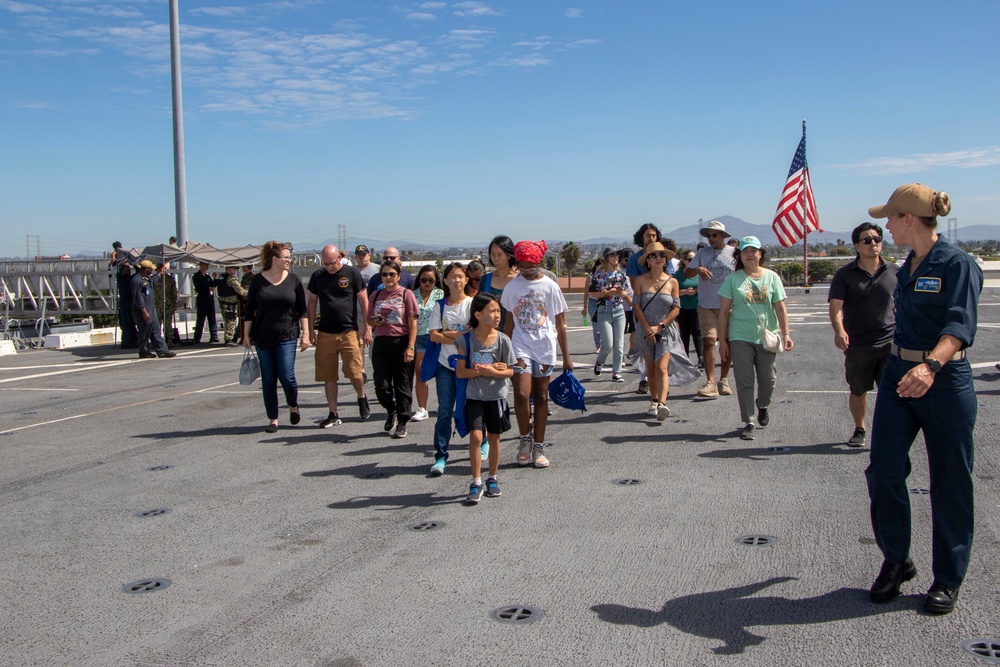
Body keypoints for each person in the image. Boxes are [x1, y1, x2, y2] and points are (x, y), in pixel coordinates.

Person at [864, 184, 982, 615]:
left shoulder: (957, 264)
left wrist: (931, 366)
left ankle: (948, 577)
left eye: (890, 219)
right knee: (883, 471)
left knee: (951, 480)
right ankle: (897, 560)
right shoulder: (907, 265)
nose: (886, 228)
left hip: (943, 379)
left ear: (908, 219)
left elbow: (959, 325)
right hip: (900, 373)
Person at [501, 240, 573, 468]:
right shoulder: (512, 287)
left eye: (531, 267)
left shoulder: (550, 286)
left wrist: (567, 357)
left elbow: (560, 324)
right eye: (521, 267)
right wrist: (502, 354)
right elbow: (508, 324)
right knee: (522, 394)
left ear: (540, 263)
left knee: (541, 396)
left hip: (544, 346)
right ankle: (525, 440)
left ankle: (539, 447)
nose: (526, 271)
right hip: (520, 345)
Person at [828, 222, 897, 447]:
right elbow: (836, 306)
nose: (873, 244)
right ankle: (860, 428)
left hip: (890, 343)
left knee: (892, 392)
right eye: (867, 240)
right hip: (858, 345)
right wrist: (839, 331)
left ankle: (889, 432)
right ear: (857, 246)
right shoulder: (845, 275)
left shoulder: (895, 271)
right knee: (858, 390)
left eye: (877, 239)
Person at [717, 237, 794, 440]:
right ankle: (748, 421)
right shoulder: (732, 280)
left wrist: (786, 333)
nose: (749, 254)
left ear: (760, 254)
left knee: (768, 379)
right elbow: (723, 312)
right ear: (739, 256)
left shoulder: (772, 277)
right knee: (745, 380)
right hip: (740, 336)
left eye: (753, 250)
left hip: (767, 337)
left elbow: (780, 308)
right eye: (745, 251)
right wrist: (722, 340)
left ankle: (763, 404)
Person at [244, 241, 309, 433]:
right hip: (263, 336)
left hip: (287, 334)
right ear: (274, 259)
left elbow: (302, 310)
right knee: (268, 379)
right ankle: (273, 418)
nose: (290, 260)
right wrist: (246, 335)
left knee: (287, 376)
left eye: (290, 257)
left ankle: (293, 405)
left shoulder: (293, 280)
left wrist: (306, 333)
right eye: (286, 257)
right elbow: (249, 310)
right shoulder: (258, 281)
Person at [456, 293, 516, 503]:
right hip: (474, 396)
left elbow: (510, 371)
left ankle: (492, 477)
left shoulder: (503, 340)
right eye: (492, 311)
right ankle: (476, 481)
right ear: (478, 315)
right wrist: (483, 370)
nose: (497, 315)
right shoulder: (465, 340)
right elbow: (461, 372)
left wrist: (492, 371)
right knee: (475, 436)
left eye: (499, 310)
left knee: (494, 437)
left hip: (496, 396)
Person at [631, 242, 700, 420]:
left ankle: (662, 404)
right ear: (648, 260)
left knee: (662, 368)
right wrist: (647, 328)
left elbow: (676, 308)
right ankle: (653, 401)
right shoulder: (639, 280)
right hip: (645, 331)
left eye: (662, 255)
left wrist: (660, 326)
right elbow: (636, 306)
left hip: (665, 330)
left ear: (666, 260)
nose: (658, 258)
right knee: (651, 368)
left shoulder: (672, 282)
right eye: (654, 255)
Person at [307, 245, 372, 428]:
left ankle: (361, 396)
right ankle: (333, 413)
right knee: (329, 375)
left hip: (348, 331)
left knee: (355, 372)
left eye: (332, 263)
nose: (329, 267)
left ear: (339, 258)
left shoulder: (351, 273)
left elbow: (364, 301)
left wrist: (367, 327)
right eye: (326, 264)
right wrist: (310, 330)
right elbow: (311, 303)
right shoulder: (318, 276)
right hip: (326, 333)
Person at [427, 262, 473, 475]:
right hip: (444, 365)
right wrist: (458, 336)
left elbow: (474, 334)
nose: (456, 280)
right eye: (452, 277)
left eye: (460, 276)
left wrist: (446, 335)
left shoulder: (472, 305)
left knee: (470, 407)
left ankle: (481, 442)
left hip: (467, 365)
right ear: (445, 281)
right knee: (445, 410)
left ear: (466, 279)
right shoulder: (440, 306)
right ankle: (440, 455)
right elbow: (433, 336)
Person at [367, 259, 419, 438]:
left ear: (399, 276)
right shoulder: (376, 295)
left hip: (401, 341)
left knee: (402, 384)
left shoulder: (406, 294)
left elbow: (413, 322)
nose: (388, 277)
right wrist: (375, 321)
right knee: (381, 385)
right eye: (384, 274)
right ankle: (391, 410)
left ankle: (403, 421)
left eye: (392, 274)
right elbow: (369, 319)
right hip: (381, 342)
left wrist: (410, 346)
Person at [686, 220, 737, 398]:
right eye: (709, 235)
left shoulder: (734, 253)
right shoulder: (702, 253)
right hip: (707, 305)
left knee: (727, 342)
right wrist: (698, 269)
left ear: (723, 236)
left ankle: (724, 379)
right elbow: (687, 273)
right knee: (708, 341)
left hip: (728, 306)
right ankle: (710, 382)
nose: (711, 238)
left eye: (714, 235)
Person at [589, 247, 632, 382]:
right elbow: (593, 293)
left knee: (619, 344)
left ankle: (616, 372)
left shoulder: (621, 274)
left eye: (617, 255)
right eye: (612, 255)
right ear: (606, 258)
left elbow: (627, 291)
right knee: (607, 343)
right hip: (604, 310)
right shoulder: (598, 274)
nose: (615, 258)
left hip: (619, 310)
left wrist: (625, 295)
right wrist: (607, 293)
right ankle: (599, 362)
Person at [411, 265, 444, 422]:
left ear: (436, 280)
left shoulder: (441, 294)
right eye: (423, 280)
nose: (427, 283)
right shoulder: (412, 295)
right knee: (421, 371)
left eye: (431, 280)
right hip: (418, 337)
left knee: (441, 373)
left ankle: (443, 405)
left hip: (437, 337)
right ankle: (422, 408)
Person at [131, 260, 177, 359]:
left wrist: (160, 273)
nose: (152, 270)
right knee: (144, 332)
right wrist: (144, 311)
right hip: (142, 311)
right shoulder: (137, 280)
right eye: (151, 269)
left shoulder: (146, 278)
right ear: (146, 269)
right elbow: (138, 297)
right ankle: (143, 352)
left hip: (151, 309)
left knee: (156, 330)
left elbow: (153, 281)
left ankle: (162, 351)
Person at [479, 235, 520, 330]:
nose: (496, 258)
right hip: (491, 333)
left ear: (509, 255)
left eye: (499, 254)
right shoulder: (485, 280)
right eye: (493, 254)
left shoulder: (520, 279)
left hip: (517, 334)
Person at [675, 249, 703, 367]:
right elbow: (672, 292)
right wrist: (685, 291)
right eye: (690, 259)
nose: (693, 261)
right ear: (684, 261)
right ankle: (685, 359)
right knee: (684, 333)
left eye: (695, 259)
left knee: (697, 332)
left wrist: (699, 290)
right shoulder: (678, 275)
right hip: (682, 308)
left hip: (697, 307)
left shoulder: (699, 273)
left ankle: (701, 357)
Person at [216, 265, 248, 346]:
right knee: (230, 321)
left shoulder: (221, 277)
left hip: (223, 303)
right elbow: (240, 291)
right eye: (233, 268)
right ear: (228, 268)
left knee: (227, 320)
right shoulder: (231, 279)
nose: (234, 270)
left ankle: (228, 339)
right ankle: (228, 339)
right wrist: (251, 293)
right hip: (230, 304)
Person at [152, 262, 178, 348]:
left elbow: (174, 292)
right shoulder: (153, 279)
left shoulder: (168, 279)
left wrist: (174, 302)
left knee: (167, 324)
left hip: (166, 304)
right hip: (158, 304)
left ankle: (169, 340)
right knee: (158, 324)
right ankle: (159, 341)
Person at [192, 261, 219, 344]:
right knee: (201, 319)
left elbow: (213, 285)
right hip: (202, 299)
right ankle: (197, 337)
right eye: (205, 265)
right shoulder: (196, 276)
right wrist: (208, 289)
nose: (207, 266)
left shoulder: (207, 277)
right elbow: (198, 288)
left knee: (212, 318)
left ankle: (214, 336)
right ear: (201, 265)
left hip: (209, 299)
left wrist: (214, 279)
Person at [236, 265, 254, 344]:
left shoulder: (253, 276)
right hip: (243, 300)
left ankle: (250, 337)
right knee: (242, 319)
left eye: (244, 266)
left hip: (250, 300)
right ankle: (240, 335)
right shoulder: (244, 277)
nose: (242, 268)